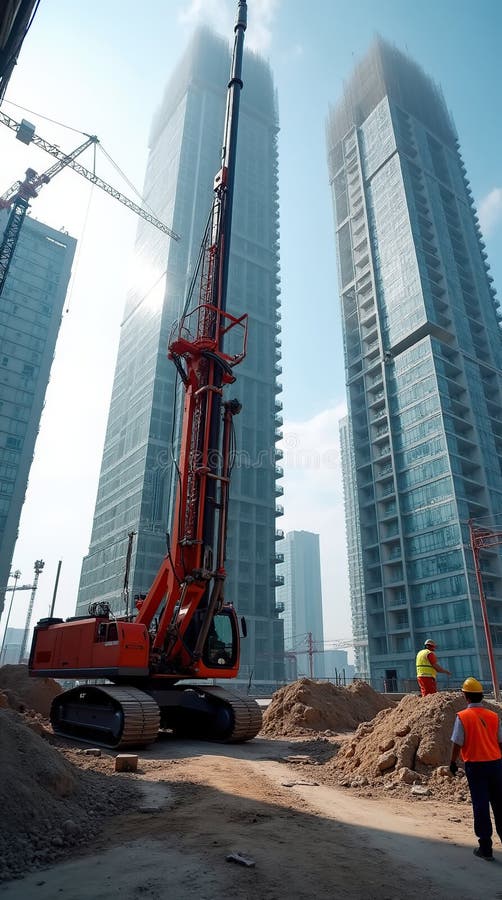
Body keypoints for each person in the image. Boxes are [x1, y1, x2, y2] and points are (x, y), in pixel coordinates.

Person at [449, 677, 502, 861]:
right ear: (481, 696)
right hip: (496, 764)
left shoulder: (462, 716)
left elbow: (457, 742)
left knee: (481, 805)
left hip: (476, 766)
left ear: (466, 696)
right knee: (500, 804)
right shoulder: (493, 716)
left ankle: (485, 848)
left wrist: (452, 762)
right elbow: (500, 742)